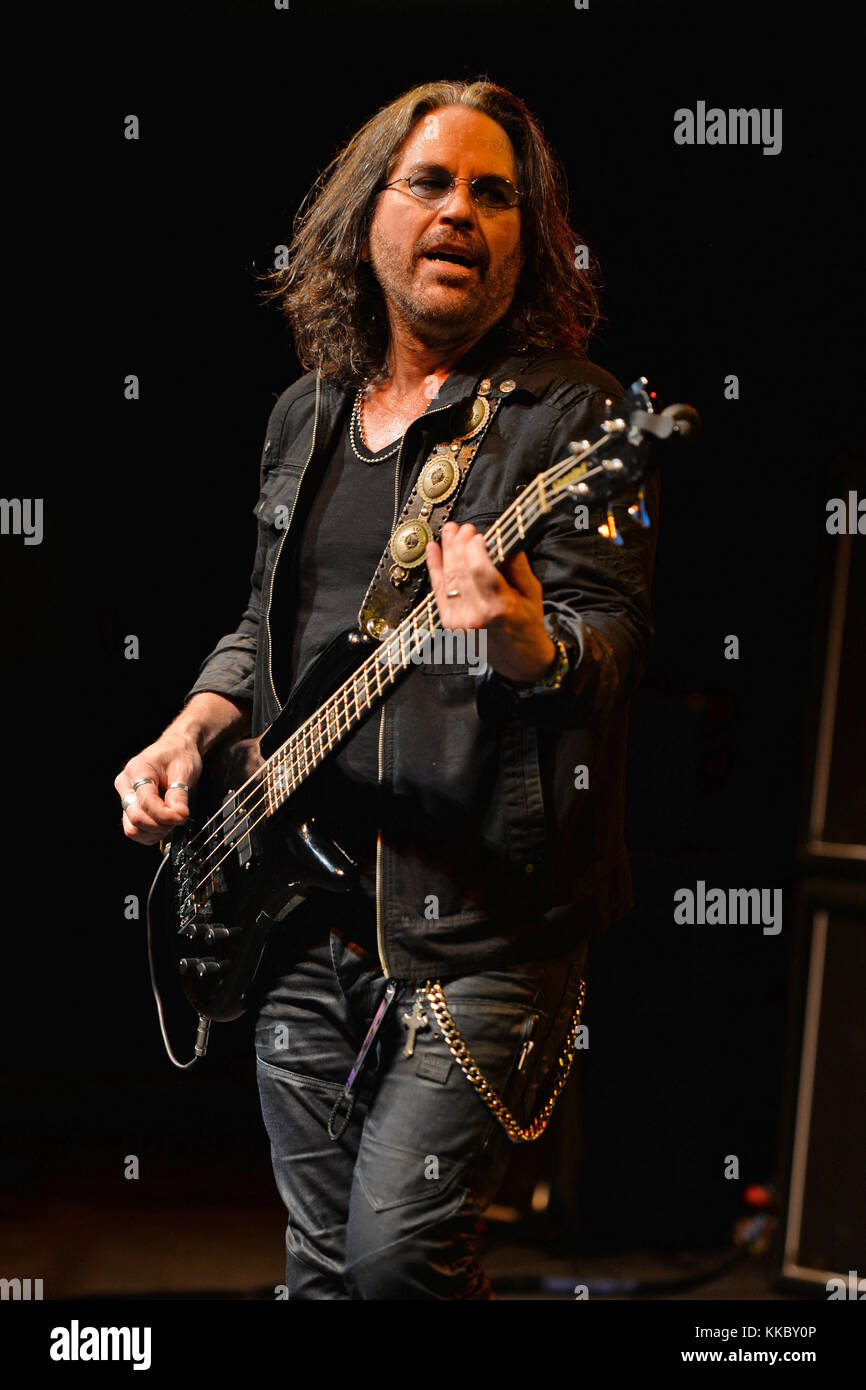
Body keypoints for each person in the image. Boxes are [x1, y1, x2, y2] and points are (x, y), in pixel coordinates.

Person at [115, 78, 659, 1299]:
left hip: (482, 930)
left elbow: (610, 640)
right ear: (366, 215)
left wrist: (525, 643)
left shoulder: (570, 416)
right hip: (298, 913)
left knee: (395, 1264)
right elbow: (269, 632)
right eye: (430, 181)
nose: (460, 211)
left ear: (526, 236)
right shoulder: (304, 416)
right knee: (318, 1274)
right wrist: (194, 726)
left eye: (494, 193)